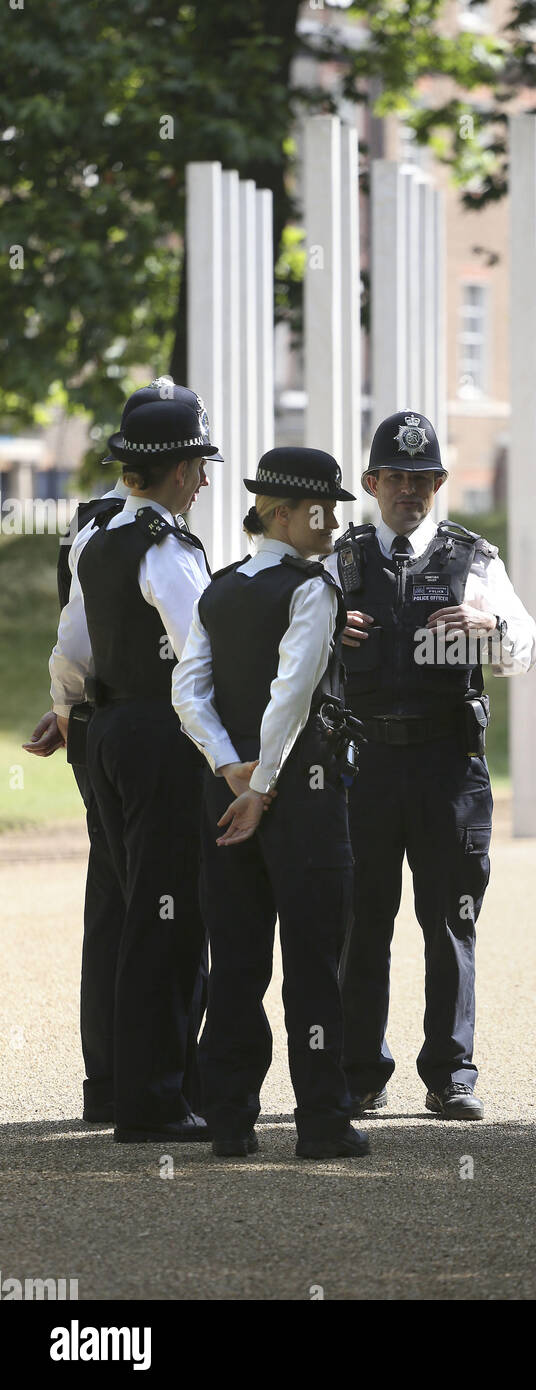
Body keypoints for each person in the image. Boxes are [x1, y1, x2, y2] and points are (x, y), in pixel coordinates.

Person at [326, 409, 536, 1120]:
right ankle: (360, 1069)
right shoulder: (338, 560)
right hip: (363, 766)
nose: (408, 491)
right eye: (396, 477)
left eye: (422, 479)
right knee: (362, 920)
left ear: (441, 483)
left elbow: (527, 647)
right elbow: (288, 658)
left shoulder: (472, 558)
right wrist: (327, 635)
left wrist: (493, 629)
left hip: (448, 767)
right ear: (370, 482)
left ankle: (451, 1073)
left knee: (451, 919)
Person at [172, 447, 369, 1160]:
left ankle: (229, 1121)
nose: (335, 518)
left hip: (225, 798)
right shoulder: (311, 588)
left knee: (237, 959)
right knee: (314, 961)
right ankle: (321, 1121)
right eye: (323, 507)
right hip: (300, 800)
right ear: (281, 514)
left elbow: (188, 691)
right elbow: (292, 693)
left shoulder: (220, 588)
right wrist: (261, 786)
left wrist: (228, 767)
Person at [26, 378, 206, 1124]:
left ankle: (113, 1084)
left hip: (101, 732)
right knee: (169, 914)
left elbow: (72, 643)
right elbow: (204, 653)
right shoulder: (165, 543)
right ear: (179, 469)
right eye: (199, 462)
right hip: (161, 734)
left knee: (120, 912)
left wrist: (69, 711)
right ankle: (157, 1095)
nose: (203, 477)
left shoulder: (97, 532)